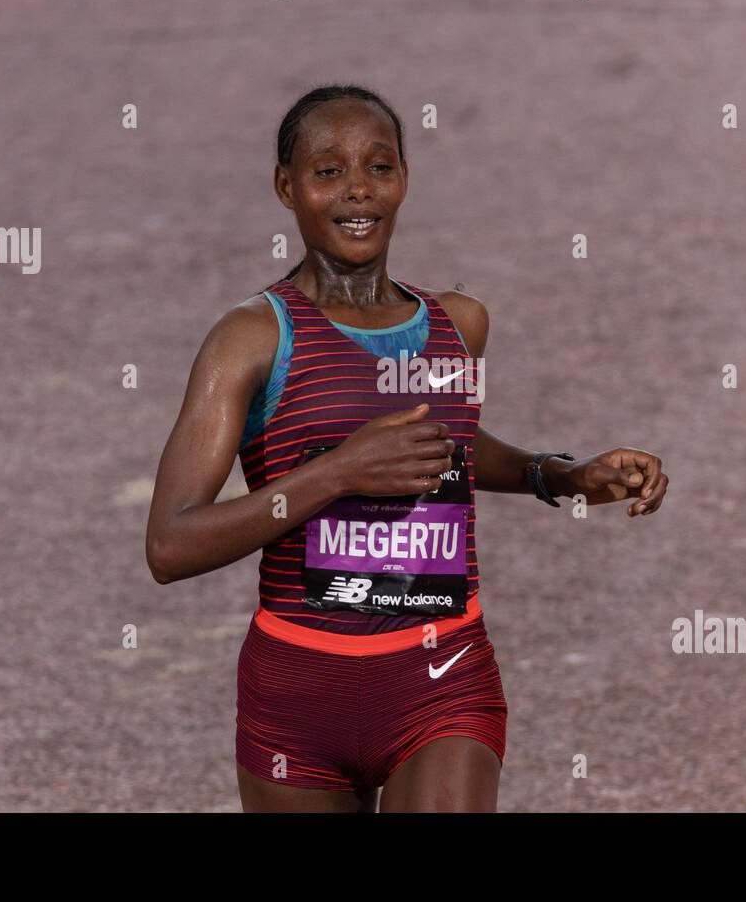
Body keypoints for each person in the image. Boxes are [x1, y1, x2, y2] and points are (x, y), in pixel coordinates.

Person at [145, 85, 669, 812]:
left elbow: (449, 446)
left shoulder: (459, 325)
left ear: (404, 179)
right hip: (298, 691)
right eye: (328, 171)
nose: (358, 189)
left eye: (379, 167)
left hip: (443, 675)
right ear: (286, 187)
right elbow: (171, 544)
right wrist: (338, 473)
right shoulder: (251, 340)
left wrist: (564, 476)